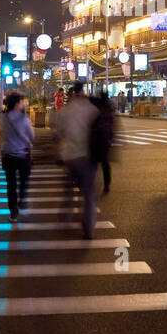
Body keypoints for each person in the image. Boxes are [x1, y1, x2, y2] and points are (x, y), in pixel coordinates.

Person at [58, 83, 100, 238]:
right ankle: (89, 228)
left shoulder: (66, 111)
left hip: (69, 157)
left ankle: (65, 215)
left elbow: (58, 132)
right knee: (89, 195)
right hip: (87, 158)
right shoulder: (92, 109)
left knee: (68, 190)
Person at [0, 92, 35, 218]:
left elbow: (1, 136)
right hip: (22, 155)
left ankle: (13, 212)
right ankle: (22, 199)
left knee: (11, 184)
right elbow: (32, 136)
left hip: (8, 155)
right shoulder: (23, 118)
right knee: (24, 180)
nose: (22, 104)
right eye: (21, 102)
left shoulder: (2, 118)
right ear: (16, 104)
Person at [90, 89, 116, 194]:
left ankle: (92, 183)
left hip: (97, 138)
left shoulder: (97, 107)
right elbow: (112, 124)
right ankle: (106, 184)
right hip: (106, 138)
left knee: (94, 162)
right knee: (105, 162)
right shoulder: (109, 109)